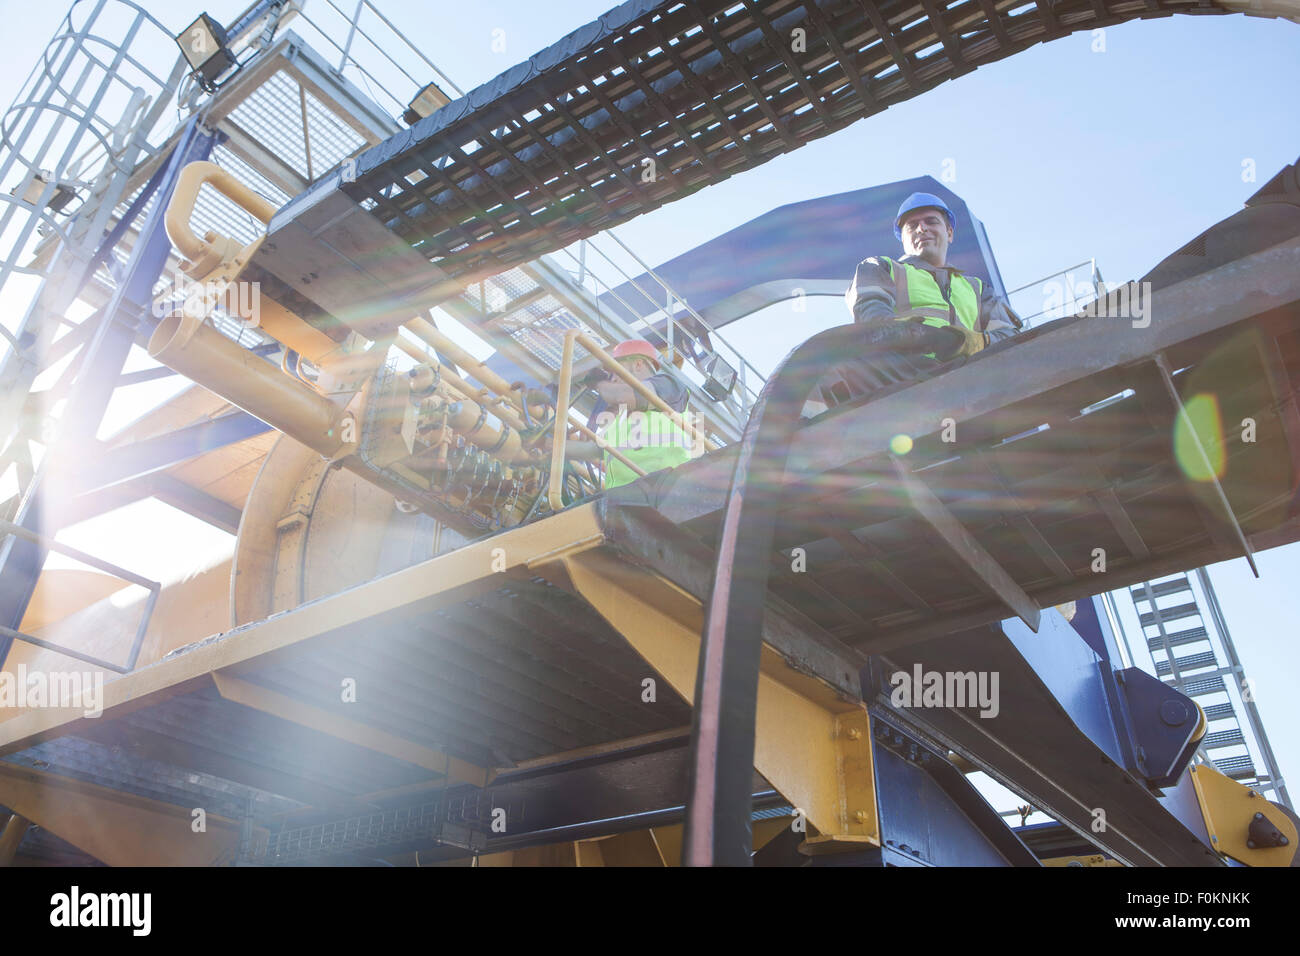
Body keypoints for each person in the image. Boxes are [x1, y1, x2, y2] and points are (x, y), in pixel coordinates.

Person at [818, 191, 1024, 407]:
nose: (922, 228)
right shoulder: (881, 267)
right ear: (904, 239)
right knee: (838, 365)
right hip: (907, 371)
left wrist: (971, 342)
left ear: (950, 233)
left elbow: (1010, 335)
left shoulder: (978, 289)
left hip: (971, 374)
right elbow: (871, 314)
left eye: (931, 221)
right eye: (912, 225)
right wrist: (912, 336)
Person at [566, 339, 695, 488]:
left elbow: (624, 395)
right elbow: (597, 450)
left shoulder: (669, 385)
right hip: (623, 497)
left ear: (638, 364)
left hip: (665, 488)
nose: (613, 378)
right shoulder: (620, 420)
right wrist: (550, 446)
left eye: (616, 370)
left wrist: (598, 383)